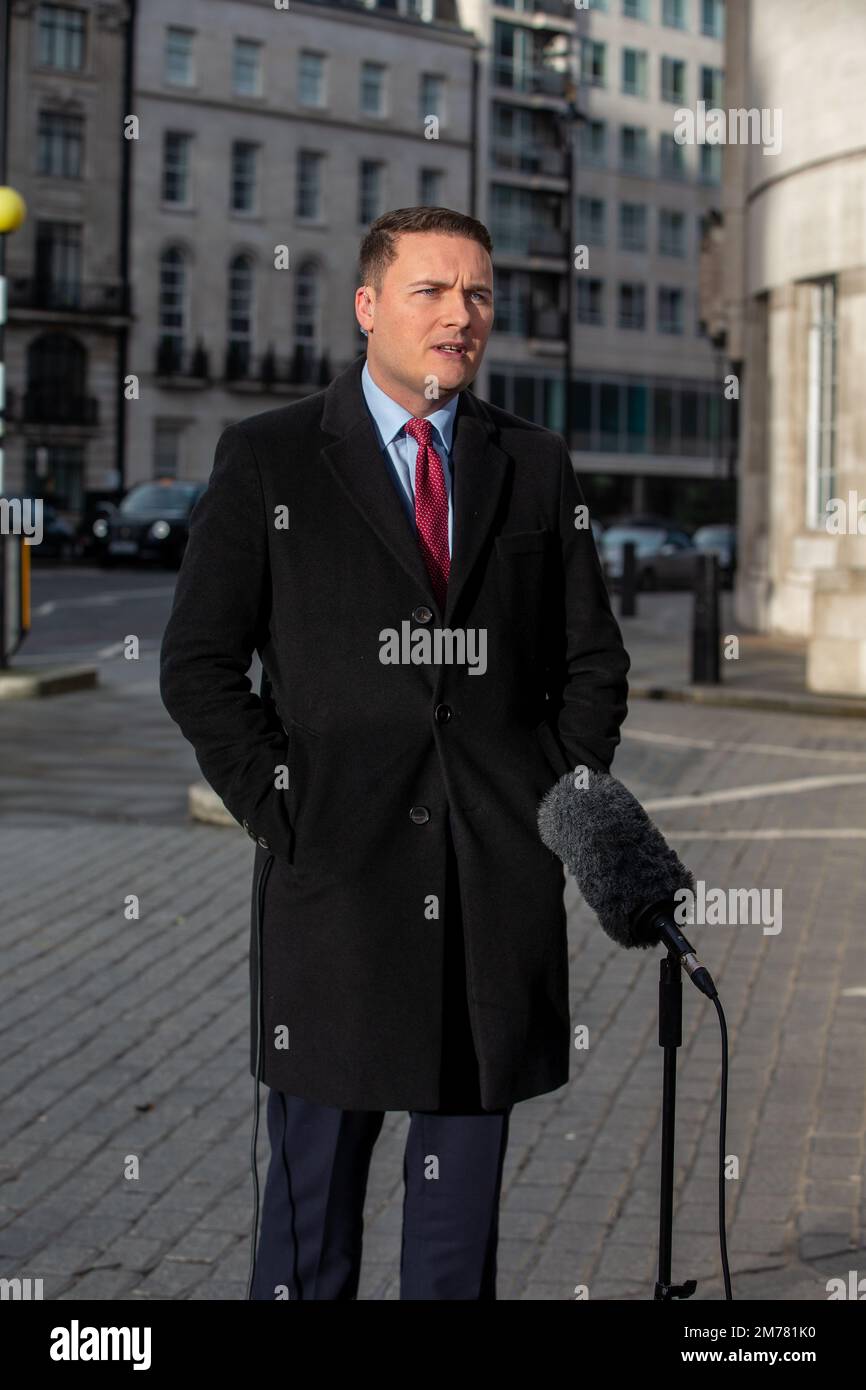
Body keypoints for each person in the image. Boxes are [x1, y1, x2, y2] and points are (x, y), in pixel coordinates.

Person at [159, 206, 630, 1300]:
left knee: (454, 1235)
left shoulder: (534, 461)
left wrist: (543, 803)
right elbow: (199, 664)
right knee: (308, 1218)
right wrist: (288, 808)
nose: (458, 315)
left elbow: (591, 663)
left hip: (489, 892)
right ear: (368, 307)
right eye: (430, 290)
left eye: (476, 294)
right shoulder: (270, 456)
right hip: (336, 889)